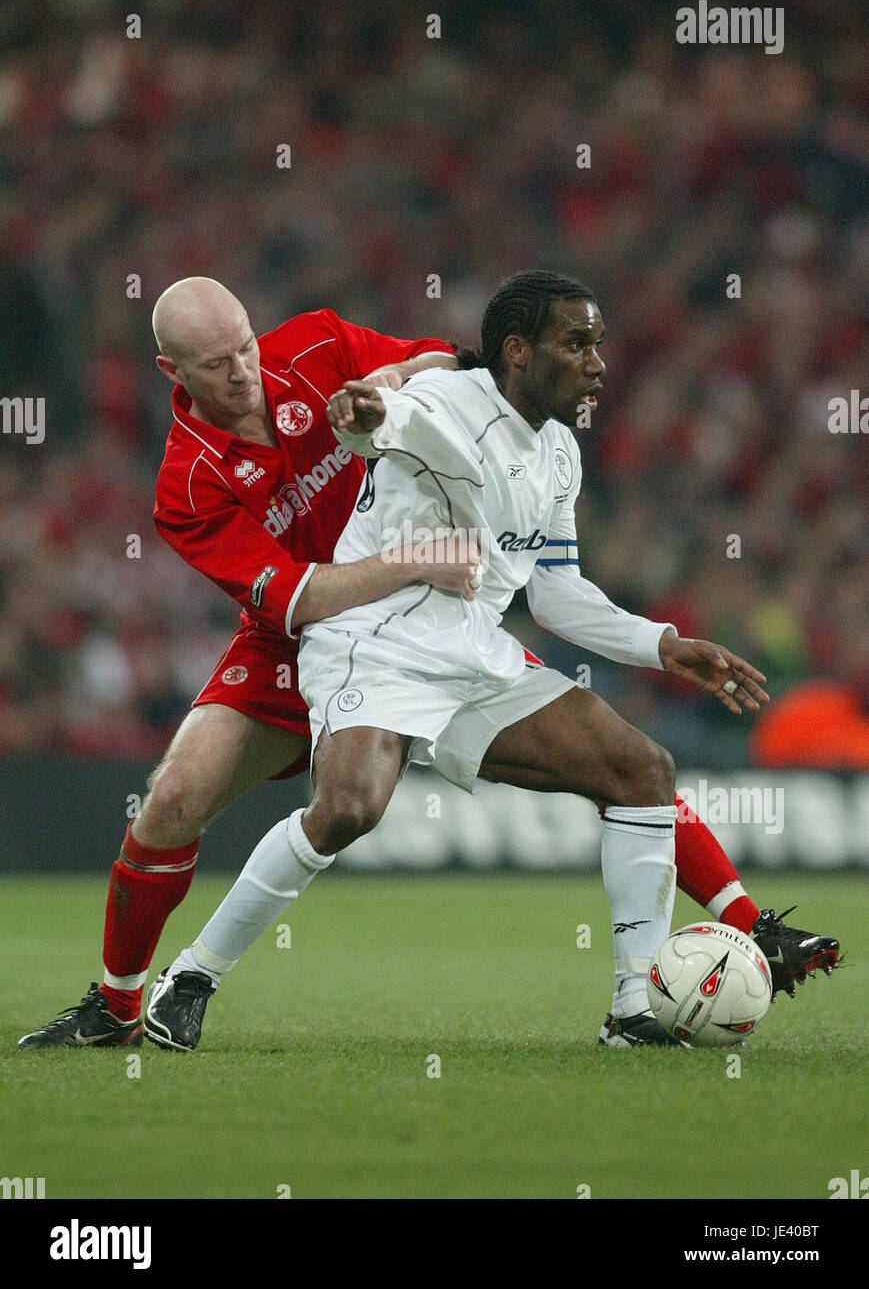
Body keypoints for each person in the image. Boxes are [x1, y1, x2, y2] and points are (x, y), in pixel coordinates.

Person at [144, 271, 839, 1053]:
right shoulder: (445, 407)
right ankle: (193, 975)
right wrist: (361, 408)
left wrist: (662, 646)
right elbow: (374, 424)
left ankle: (631, 1009)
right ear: (518, 350)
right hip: (375, 640)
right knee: (348, 808)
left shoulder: (557, 456)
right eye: (577, 344)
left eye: (597, 345)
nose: (597, 364)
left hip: (471, 650)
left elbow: (554, 596)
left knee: (640, 768)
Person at [18, 277, 480, 1049]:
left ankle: (730, 926)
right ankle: (117, 1005)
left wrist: (389, 380)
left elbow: (449, 361)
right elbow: (297, 601)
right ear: (173, 372)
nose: (242, 370)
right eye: (216, 363)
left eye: (245, 346)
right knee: (168, 803)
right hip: (296, 641)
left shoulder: (317, 344)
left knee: (597, 756)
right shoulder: (186, 483)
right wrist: (414, 561)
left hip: (420, 621)